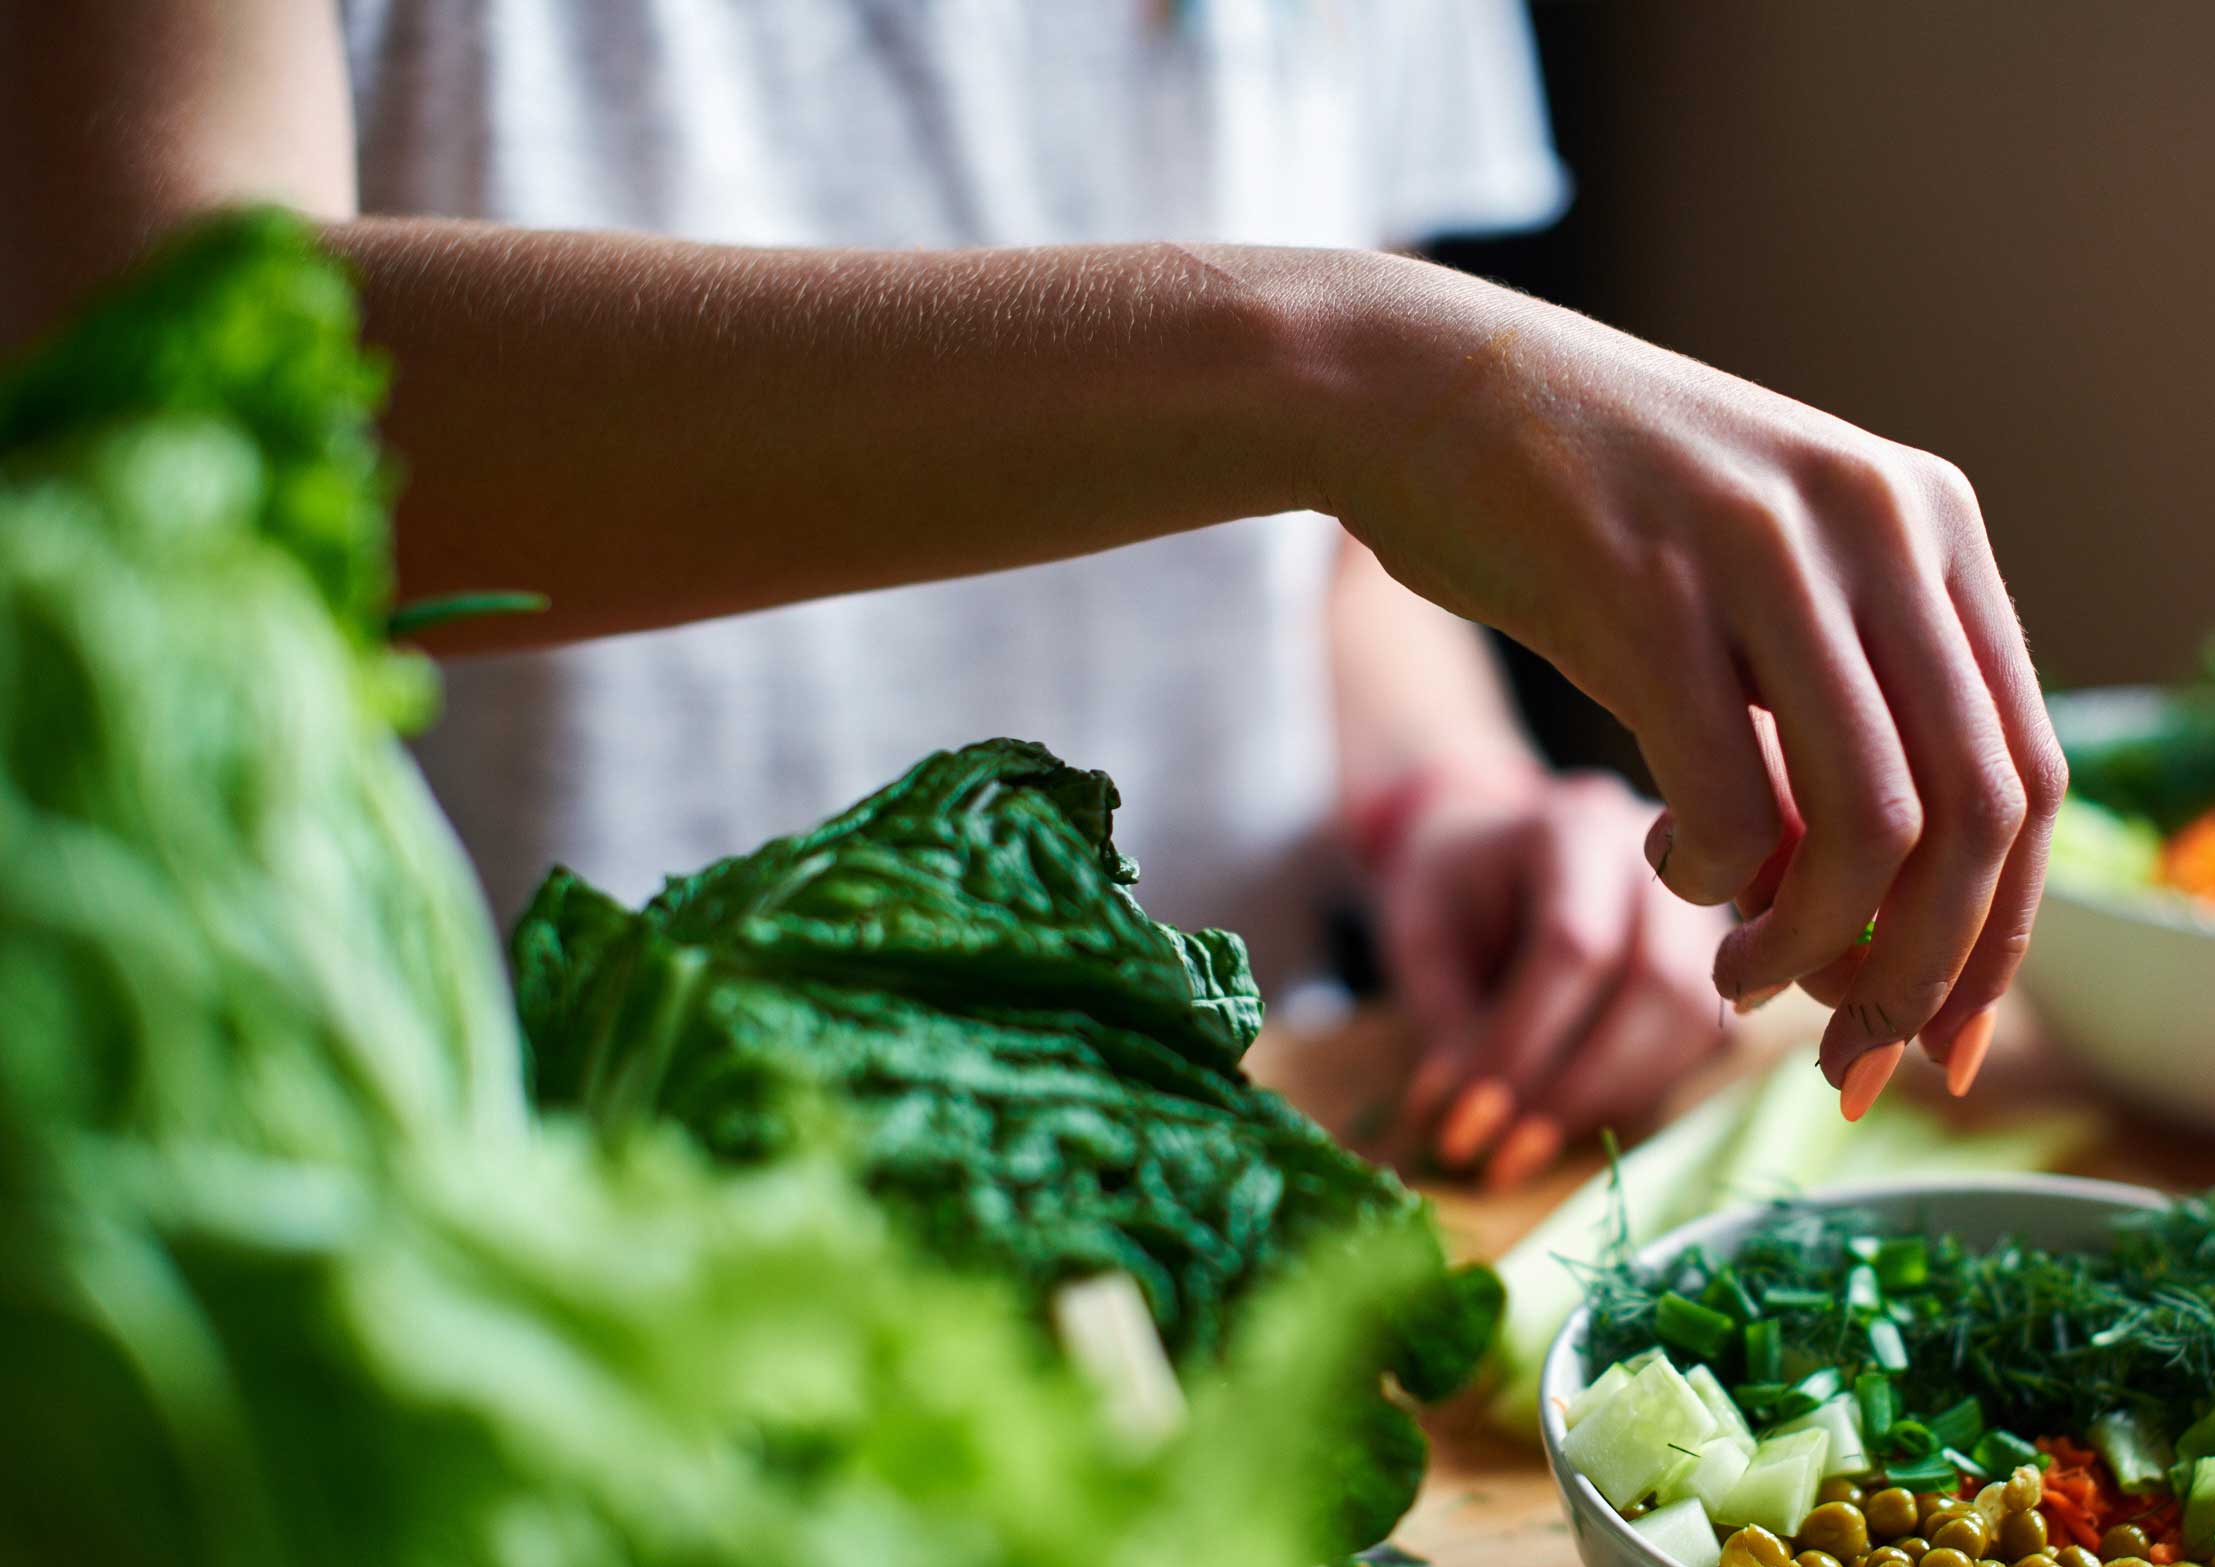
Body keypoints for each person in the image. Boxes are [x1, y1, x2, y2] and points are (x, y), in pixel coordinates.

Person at [0, 0, 2063, 1182]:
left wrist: (1440, 796)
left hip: (1170, 1201)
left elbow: (1334, 561)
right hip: (443, 1227)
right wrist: (1344, 366)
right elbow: (157, 380)